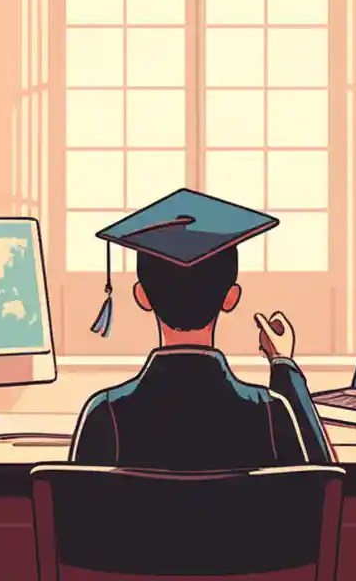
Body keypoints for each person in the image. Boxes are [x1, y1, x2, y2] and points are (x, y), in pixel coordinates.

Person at [69, 189, 334, 470]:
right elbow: (323, 483)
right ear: (232, 298)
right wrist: (282, 365)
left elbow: (72, 509)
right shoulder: (268, 411)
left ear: (141, 297)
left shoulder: (105, 412)